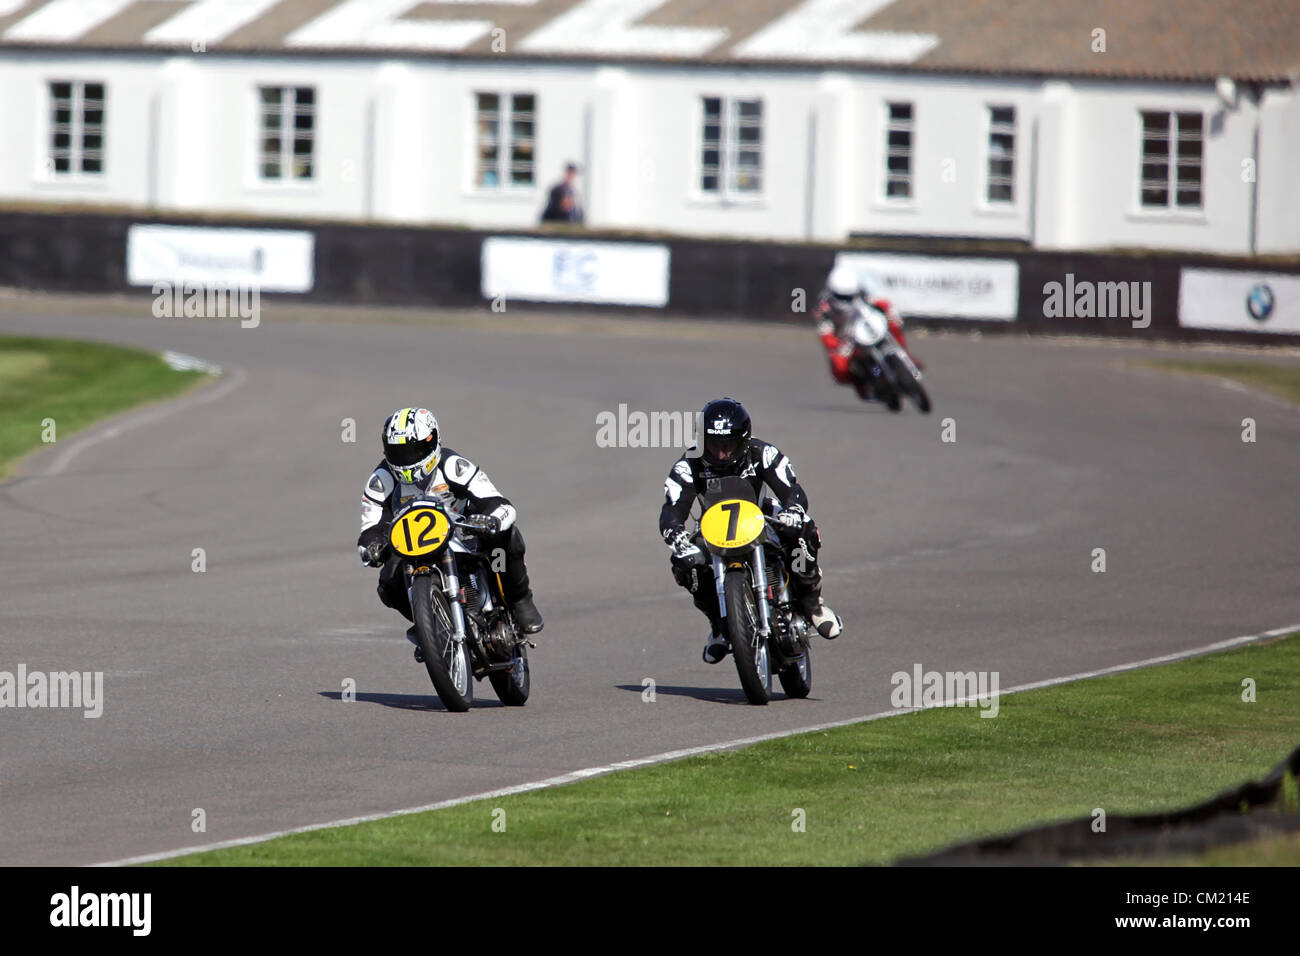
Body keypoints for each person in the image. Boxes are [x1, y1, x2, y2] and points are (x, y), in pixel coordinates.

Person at [659, 397, 842, 664]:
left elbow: (792, 489)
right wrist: (676, 535)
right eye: (713, 445)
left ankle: (813, 602)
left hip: (762, 514)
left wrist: (793, 510)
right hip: (712, 527)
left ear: (743, 440)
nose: (721, 454)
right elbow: (673, 508)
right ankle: (720, 627)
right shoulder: (688, 466)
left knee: (804, 530)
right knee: (685, 563)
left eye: (728, 445)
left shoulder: (763, 453)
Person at [357, 407, 543, 660]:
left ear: (433, 441)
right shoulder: (380, 480)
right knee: (388, 584)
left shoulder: (453, 466)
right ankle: (430, 623)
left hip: (465, 532)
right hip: (413, 547)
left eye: (413, 451)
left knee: (505, 540)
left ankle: (520, 599)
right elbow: (370, 527)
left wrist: (491, 519)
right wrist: (373, 546)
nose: (406, 459)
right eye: (398, 452)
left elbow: (498, 502)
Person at [813, 265, 923, 398]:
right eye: (842, 297)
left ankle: (906, 355)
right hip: (844, 338)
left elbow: (882, 303)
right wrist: (836, 345)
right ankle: (862, 386)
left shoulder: (864, 292)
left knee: (894, 326)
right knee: (839, 371)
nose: (846, 301)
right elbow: (826, 335)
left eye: (850, 296)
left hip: (865, 326)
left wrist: (890, 313)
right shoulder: (823, 309)